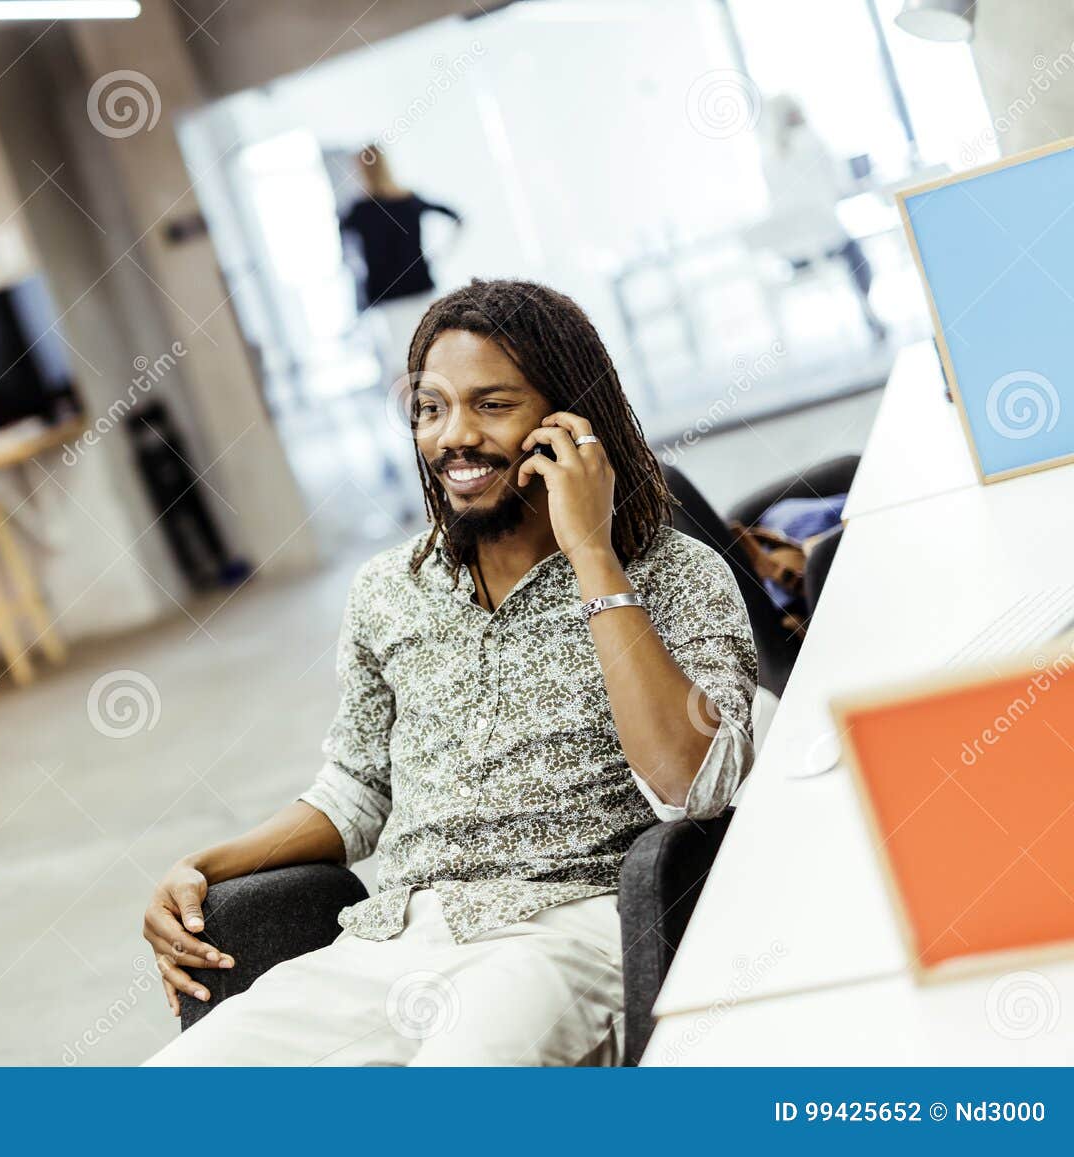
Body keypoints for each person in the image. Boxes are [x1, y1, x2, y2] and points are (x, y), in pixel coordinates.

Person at [142, 279, 758, 1066]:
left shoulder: (676, 575)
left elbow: (694, 786)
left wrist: (594, 556)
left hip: (570, 927)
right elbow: (358, 789)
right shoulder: (387, 590)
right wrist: (201, 864)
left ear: (570, 423)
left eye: (492, 405)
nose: (452, 437)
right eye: (431, 409)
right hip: (395, 940)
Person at [755, 95, 887, 344]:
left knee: (842, 247)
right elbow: (842, 184)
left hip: (794, 256)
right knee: (857, 257)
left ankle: (868, 318)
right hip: (829, 245)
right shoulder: (812, 141)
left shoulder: (768, 156)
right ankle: (870, 314)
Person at [340, 145, 463, 381]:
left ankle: (421, 414)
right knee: (434, 350)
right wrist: (438, 255)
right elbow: (457, 217)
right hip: (418, 285)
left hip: (387, 295)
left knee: (402, 363)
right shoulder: (409, 200)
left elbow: (347, 253)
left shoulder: (359, 211)